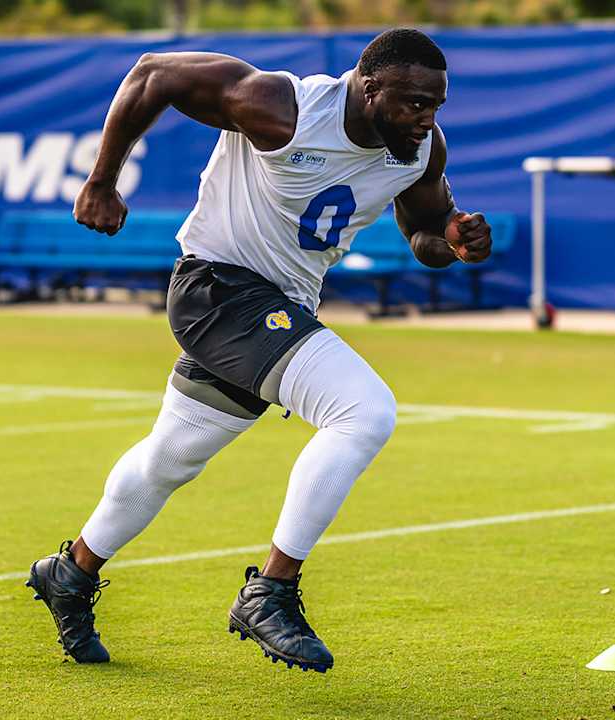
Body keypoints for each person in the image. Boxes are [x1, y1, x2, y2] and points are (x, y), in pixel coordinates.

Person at [27, 28, 492, 674]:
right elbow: (152, 72)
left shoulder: (421, 149)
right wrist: (101, 180)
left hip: (279, 309)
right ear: (369, 89)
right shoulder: (284, 108)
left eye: (436, 105)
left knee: (170, 458)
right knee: (364, 411)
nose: (427, 119)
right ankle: (270, 590)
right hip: (218, 288)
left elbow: (423, 233)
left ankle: (70, 571)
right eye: (414, 103)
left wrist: (455, 240)